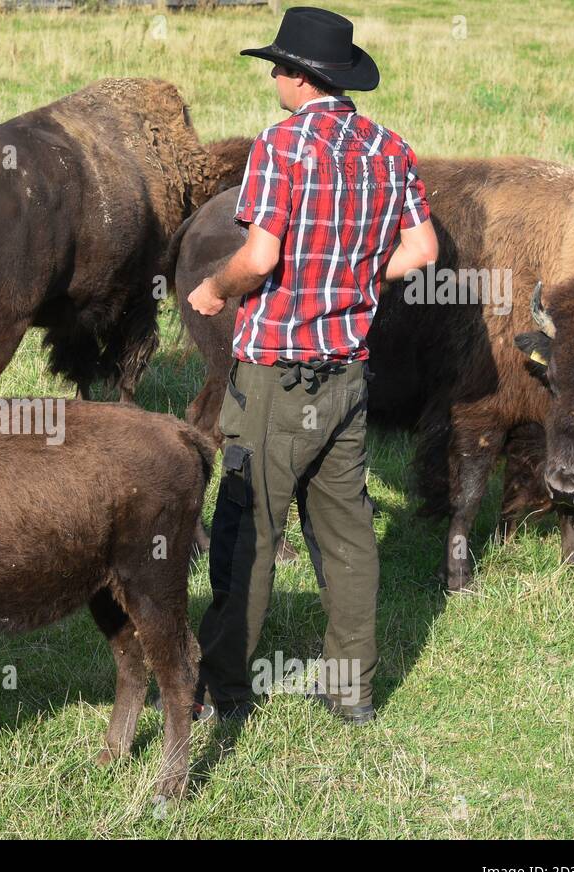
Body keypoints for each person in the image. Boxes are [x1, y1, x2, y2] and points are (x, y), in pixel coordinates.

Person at [186, 7, 439, 725]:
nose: (272, 77)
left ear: (301, 77)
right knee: (349, 534)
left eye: (277, 66)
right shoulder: (391, 148)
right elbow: (422, 251)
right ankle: (353, 690)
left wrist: (214, 287)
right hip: (348, 373)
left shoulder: (282, 145)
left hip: (275, 373)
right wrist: (358, 281)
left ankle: (225, 688)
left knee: (248, 528)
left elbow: (261, 257)